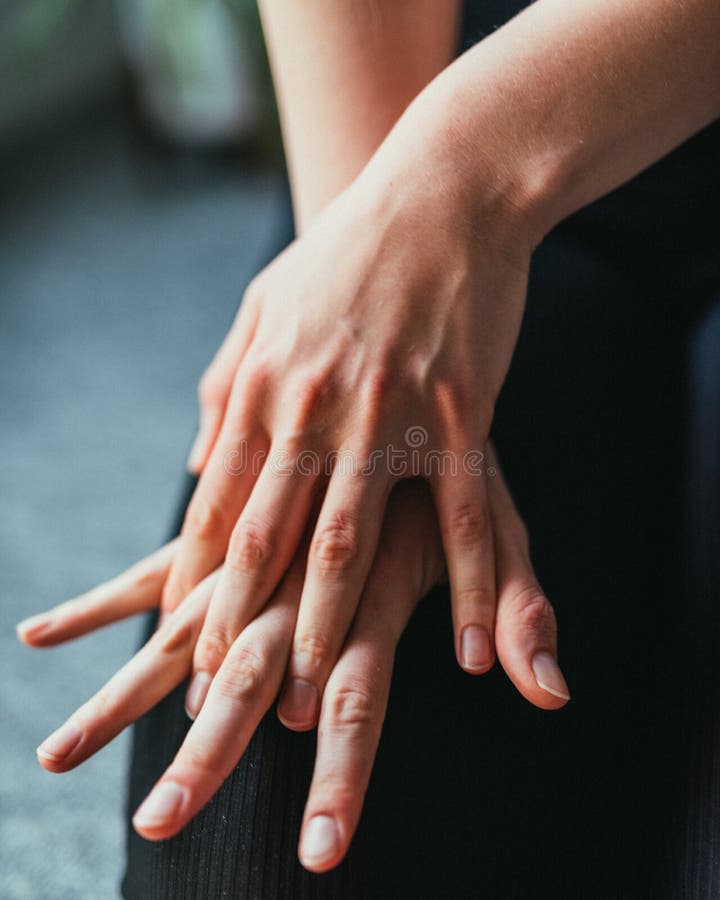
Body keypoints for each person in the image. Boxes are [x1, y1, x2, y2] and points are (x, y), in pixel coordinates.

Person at [17, 0, 720, 896]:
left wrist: (466, 166)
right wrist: (382, 344)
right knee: (256, 858)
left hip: (474, 144)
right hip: (413, 114)